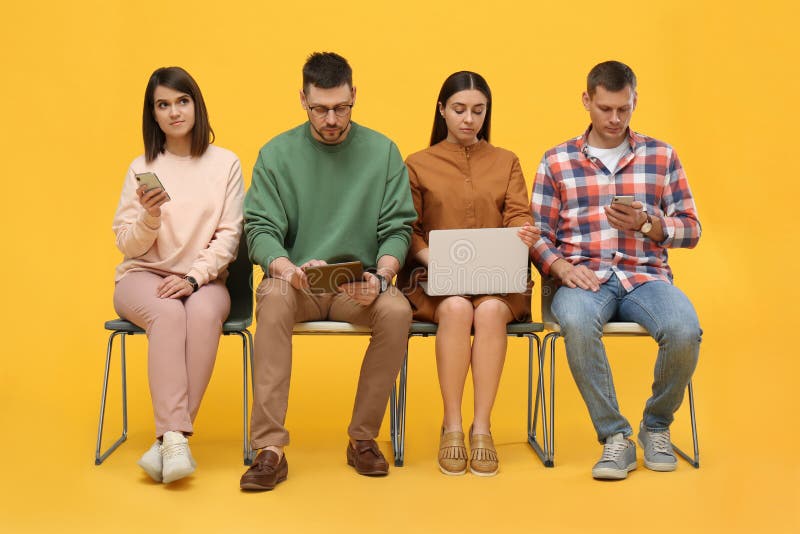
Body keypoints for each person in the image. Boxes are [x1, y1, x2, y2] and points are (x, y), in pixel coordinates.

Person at [239, 52, 416, 491]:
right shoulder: (277, 154)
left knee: (397, 313)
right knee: (274, 300)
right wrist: (287, 267)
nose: (332, 119)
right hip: (296, 280)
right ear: (303, 99)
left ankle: (362, 439)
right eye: (320, 109)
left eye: (341, 107)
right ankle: (270, 449)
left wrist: (384, 275)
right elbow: (259, 229)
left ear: (354, 95)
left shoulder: (383, 151)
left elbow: (398, 227)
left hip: (358, 282)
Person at [531, 60, 702, 480]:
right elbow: (535, 234)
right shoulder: (556, 161)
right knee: (573, 318)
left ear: (634, 101)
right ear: (587, 101)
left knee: (684, 329)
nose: (614, 119)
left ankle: (656, 426)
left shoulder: (661, 156)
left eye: (624, 109)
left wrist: (649, 225)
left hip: (646, 278)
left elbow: (692, 229)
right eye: (605, 108)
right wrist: (560, 267)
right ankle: (615, 438)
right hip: (584, 280)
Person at [397, 71, 540, 476]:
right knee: (458, 309)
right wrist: (434, 262)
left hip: (496, 276)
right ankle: (453, 425)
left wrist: (523, 232)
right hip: (435, 278)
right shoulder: (418, 163)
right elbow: (409, 227)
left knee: (491, 311)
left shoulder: (506, 161)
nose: (469, 119)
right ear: (442, 110)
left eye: (479, 111)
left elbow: (517, 214)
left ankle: (482, 427)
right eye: (459, 109)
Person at [112, 66, 244, 484]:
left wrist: (193, 278)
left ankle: (168, 440)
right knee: (168, 315)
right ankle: (175, 435)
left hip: (204, 280)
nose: (173, 112)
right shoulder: (142, 166)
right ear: (153, 115)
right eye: (163, 105)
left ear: (195, 104)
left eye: (181, 101)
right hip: (142, 277)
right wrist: (150, 217)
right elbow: (128, 246)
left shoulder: (225, 164)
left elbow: (229, 236)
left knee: (203, 314)